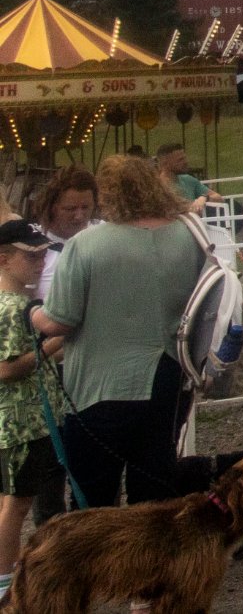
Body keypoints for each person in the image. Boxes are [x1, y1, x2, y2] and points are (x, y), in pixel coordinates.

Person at [32, 155, 205, 510]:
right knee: (153, 487)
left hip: (100, 385)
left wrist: (30, 313)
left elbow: (59, 321)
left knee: (94, 495)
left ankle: (101, 563)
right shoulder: (188, 236)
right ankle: (149, 562)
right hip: (168, 376)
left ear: (107, 194)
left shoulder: (88, 245)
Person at [0, 220, 61, 599]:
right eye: (30, 255)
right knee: (18, 504)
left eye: (42, 254)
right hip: (22, 424)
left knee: (10, 501)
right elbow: (7, 369)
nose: (40, 262)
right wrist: (55, 341)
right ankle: (4, 582)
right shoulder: (15, 308)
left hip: (16, 423)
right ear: (4, 259)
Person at [33, 169, 97, 302]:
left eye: (85, 207)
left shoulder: (105, 237)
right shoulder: (31, 245)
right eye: (70, 209)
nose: (79, 216)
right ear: (52, 207)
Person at [154, 144, 211, 212]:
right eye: (180, 160)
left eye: (184, 158)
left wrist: (204, 197)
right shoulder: (156, 187)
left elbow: (218, 198)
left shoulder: (189, 180)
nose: (186, 162)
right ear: (165, 162)